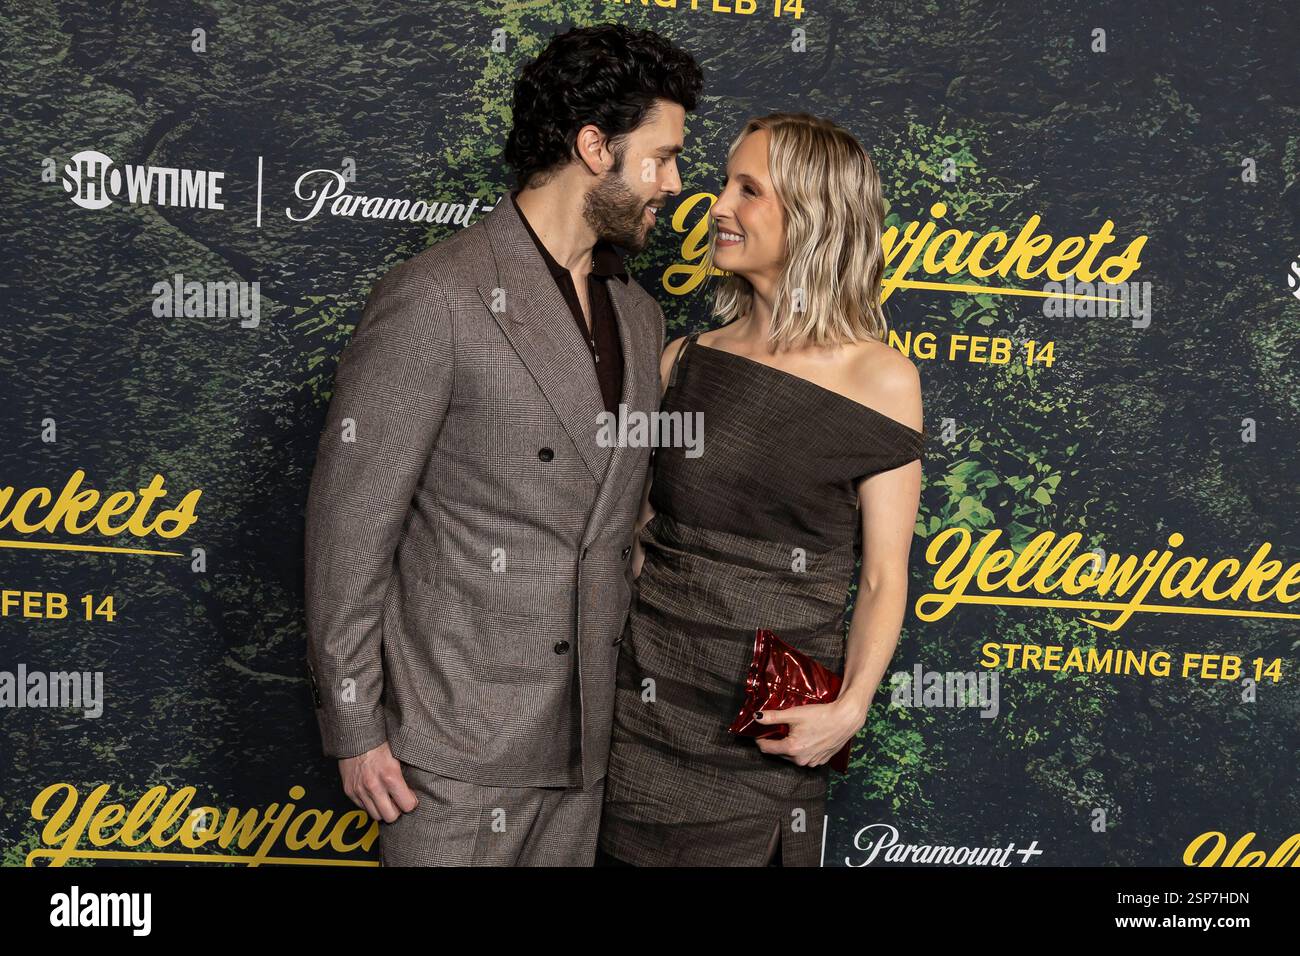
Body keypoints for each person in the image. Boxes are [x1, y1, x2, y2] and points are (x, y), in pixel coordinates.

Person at [304, 23, 702, 866]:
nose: (674, 182)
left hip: (586, 745)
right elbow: (350, 530)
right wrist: (353, 725)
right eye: (661, 157)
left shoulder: (638, 313)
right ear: (595, 146)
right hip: (448, 752)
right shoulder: (435, 296)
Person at [597, 113, 927, 867]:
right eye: (725, 183)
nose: (718, 204)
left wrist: (848, 710)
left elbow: (882, 576)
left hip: (766, 730)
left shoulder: (880, 379)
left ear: (813, 215)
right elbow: (636, 536)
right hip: (642, 717)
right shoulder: (682, 360)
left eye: (749, 190)